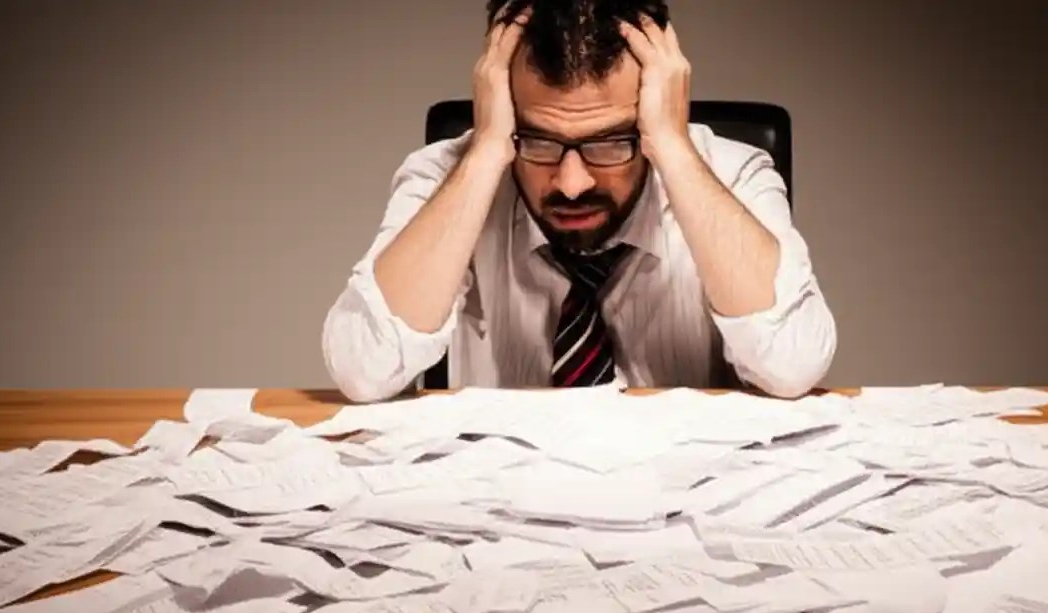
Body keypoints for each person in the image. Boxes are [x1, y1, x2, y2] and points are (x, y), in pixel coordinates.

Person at [322, 0, 836, 402]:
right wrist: (485, 153)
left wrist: (673, 148)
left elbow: (791, 367)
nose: (571, 184)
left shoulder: (731, 174)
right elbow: (362, 370)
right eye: (539, 141)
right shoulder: (446, 175)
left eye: (610, 142)